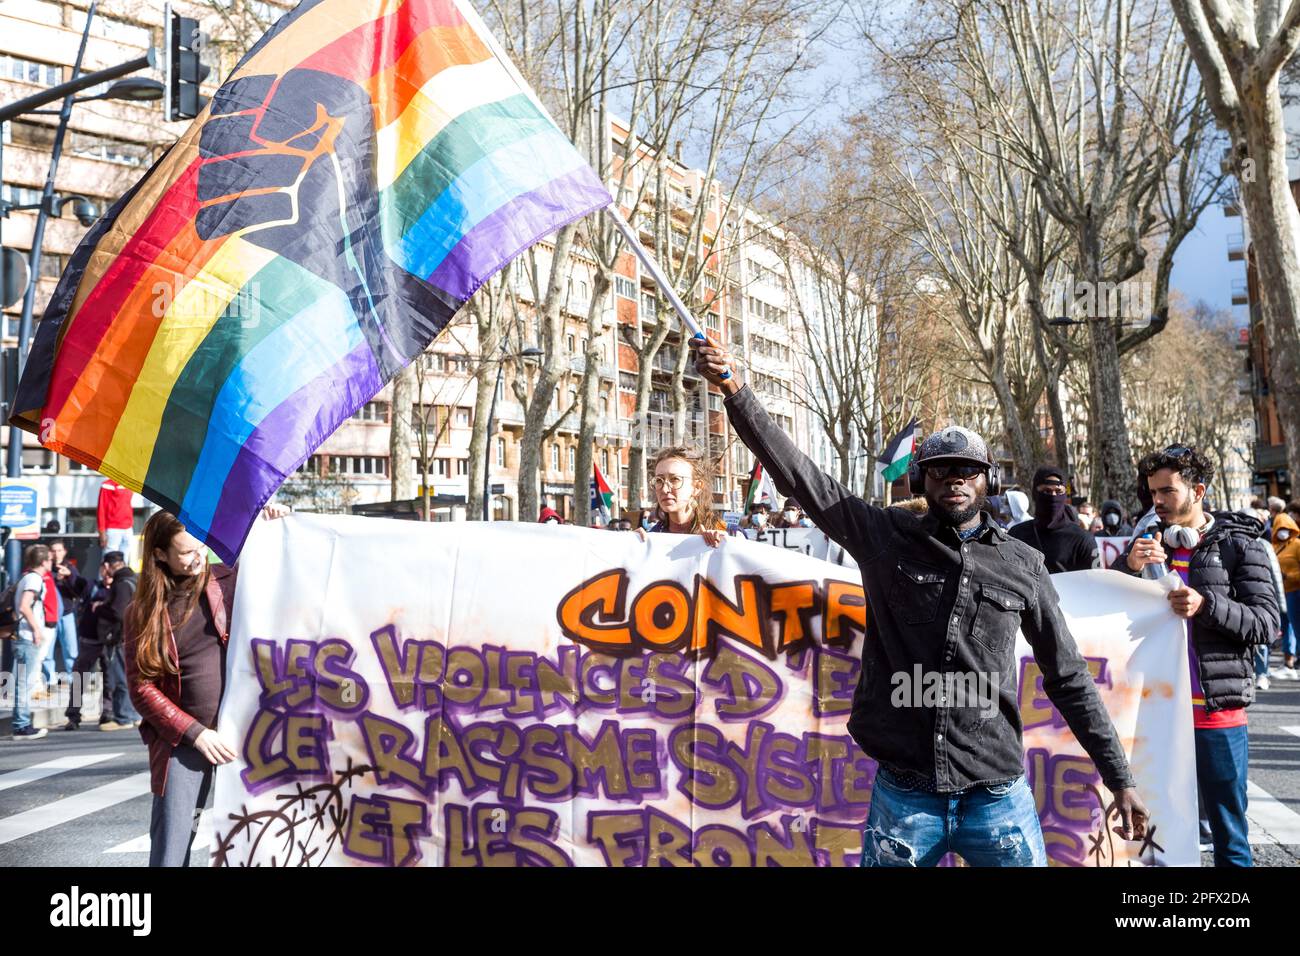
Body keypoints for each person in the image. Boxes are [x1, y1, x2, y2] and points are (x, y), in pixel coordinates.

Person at [693, 336, 1147, 867]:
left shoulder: (1024, 563)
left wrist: (1120, 778)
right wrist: (734, 389)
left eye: (967, 471)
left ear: (988, 481)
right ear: (920, 478)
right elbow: (803, 478)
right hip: (905, 797)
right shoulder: (883, 536)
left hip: (997, 796)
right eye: (940, 470)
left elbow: (1068, 676)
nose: (954, 480)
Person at [1113, 445, 1278, 867]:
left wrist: (1206, 606)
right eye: (1152, 492)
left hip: (1215, 718)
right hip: (1155, 717)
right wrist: (1127, 571)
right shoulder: (1145, 546)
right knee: (1156, 837)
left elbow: (1265, 623)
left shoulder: (1239, 545)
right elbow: (1110, 618)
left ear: (1198, 490)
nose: (1158, 501)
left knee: (1229, 836)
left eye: (1168, 491)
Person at [126, 505, 288, 867]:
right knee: (172, 844)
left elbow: (278, 566)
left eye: (201, 548)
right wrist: (194, 733)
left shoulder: (225, 580)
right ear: (159, 555)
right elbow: (141, 687)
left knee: (268, 836)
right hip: (184, 741)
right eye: (186, 552)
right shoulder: (142, 611)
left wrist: (272, 522)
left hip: (247, 730)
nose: (198, 558)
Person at [1008, 466, 1099, 573]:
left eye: (1058, 491)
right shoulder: (1016, 535)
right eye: (1046, 491)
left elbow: (1094, 583)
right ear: (1034, 494)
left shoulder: (1083, 540)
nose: (1053, 496)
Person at [639, 445, 728, 547]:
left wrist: (725, 545)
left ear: (697, 487)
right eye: (659, 480)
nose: (664, 489)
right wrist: (634, 546)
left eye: (675, 479)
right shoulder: (651, 537)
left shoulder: (725, 532)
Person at [63, 557, 114, 731]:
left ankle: (108, 714)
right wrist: (70, 573)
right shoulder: (92, 586)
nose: (107, 574)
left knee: (110, 680)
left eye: (111, 570)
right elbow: (77, 583)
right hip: (89, 640)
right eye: (105, 569)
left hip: (110, 643)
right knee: (79, 678)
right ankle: (73, 715)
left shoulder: (121, 589)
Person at [95, 551, 143, 731]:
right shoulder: (134, 579)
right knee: (131, 676)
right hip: (133, 635)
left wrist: (100, 608)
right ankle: (134, 714)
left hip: (120, 637)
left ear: (107, 566)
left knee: (120, 677)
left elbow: (118, 612)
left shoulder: (121, 584)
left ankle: (123, 716)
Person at [8, 544, 52, 740]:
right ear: (43, 562)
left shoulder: (27, 578)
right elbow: (25, 606)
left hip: (22, 637)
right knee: (24, 683)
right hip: (26, 637)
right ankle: (21, 724)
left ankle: (22, 723)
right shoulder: (34, 579)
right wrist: (36, 630)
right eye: (49, 559)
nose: (51, 562)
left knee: (23, 682)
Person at [41, 540, 84, 690]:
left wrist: (69, 577)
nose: (56, 554)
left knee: (71, 650)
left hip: (67, 614)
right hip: (49, 615)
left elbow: (79, 589)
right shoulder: (45, 568)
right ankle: (50, 681)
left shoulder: (70, 567)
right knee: (47, 651)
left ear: (64, 552)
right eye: (53, 551)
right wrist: (55, 578)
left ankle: (74, 683)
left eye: (59, 550)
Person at [1271, 507, 1299, 676]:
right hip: (1280, 594)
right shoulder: (1274, 547)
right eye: (1280, 529)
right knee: (1286, 627)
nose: (1283, 532)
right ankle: (1288, 661)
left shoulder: (1297, 545)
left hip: (1296, 591)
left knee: (1297, 627)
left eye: (1286, 528)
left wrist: (1289, 576)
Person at [97, 478, 136, 560]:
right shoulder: (107, 485)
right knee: (109, 562)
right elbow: (101, 508)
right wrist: (102, 531)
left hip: (128, 529)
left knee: (124, 562)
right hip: (112, 529)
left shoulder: (130, 483)